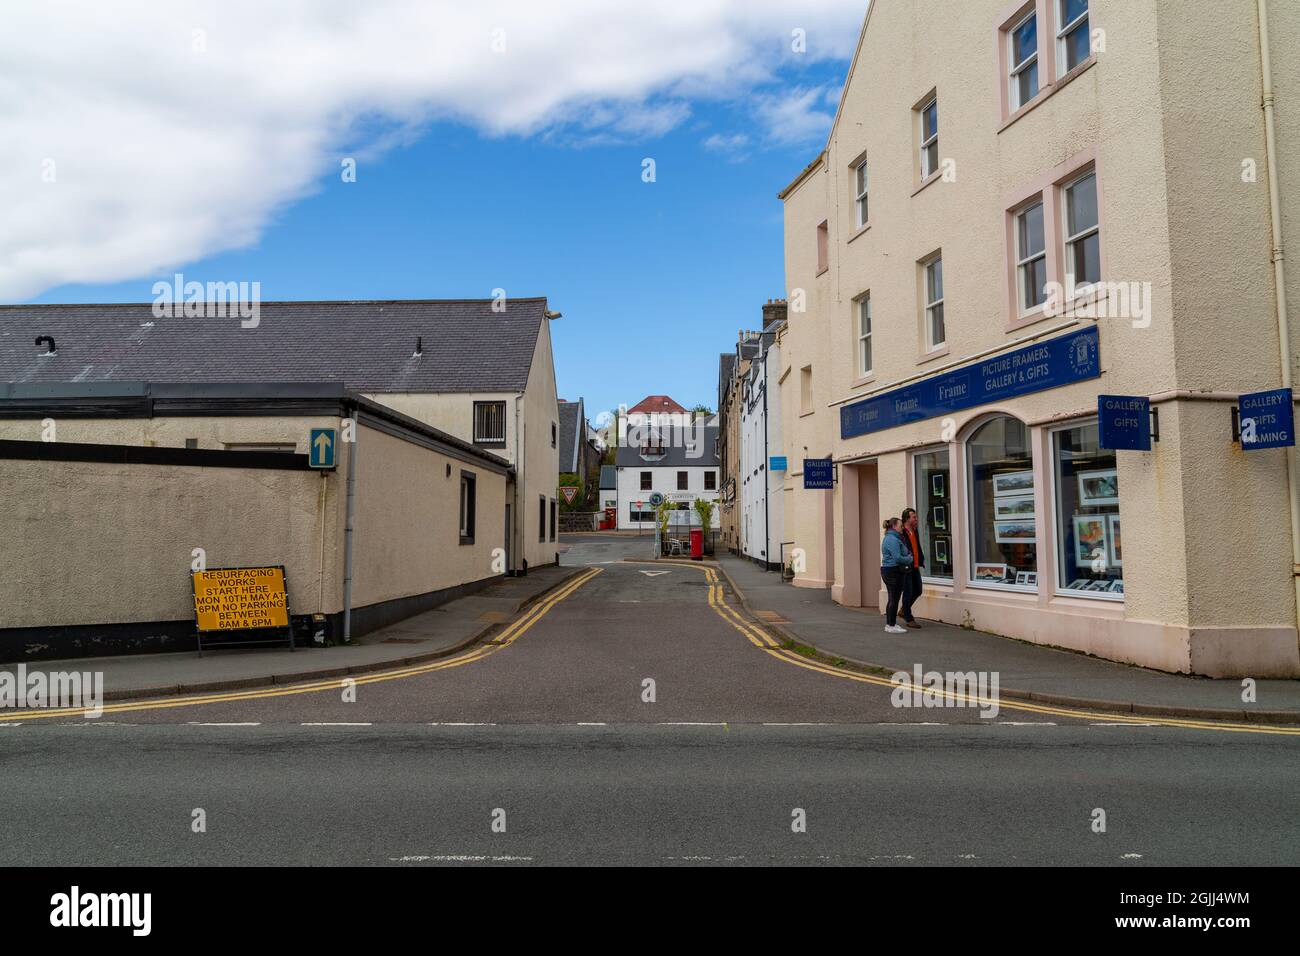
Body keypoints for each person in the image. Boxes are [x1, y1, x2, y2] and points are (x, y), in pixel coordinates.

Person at [879, 517, 912, 634]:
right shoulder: (892, 539)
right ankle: (890, 625)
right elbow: (897, 558)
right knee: (894, 598)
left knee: (893, 598)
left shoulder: (893, 537)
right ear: (894, 526)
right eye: (900, 525)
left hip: (891, 570)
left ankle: (890, 623)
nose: (902, 527)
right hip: (893, 571)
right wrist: (909, 558)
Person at [899, 507, 925, 629]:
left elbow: (917, 546)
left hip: (914, 565)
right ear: (907, 519)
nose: (916, 519)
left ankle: (904, 609)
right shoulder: (901, 533)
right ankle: (909, 618)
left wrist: (921, 559)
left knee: (918, 590)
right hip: (906, 566)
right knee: (908, 592)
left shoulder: (914, 530)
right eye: (914, 517)